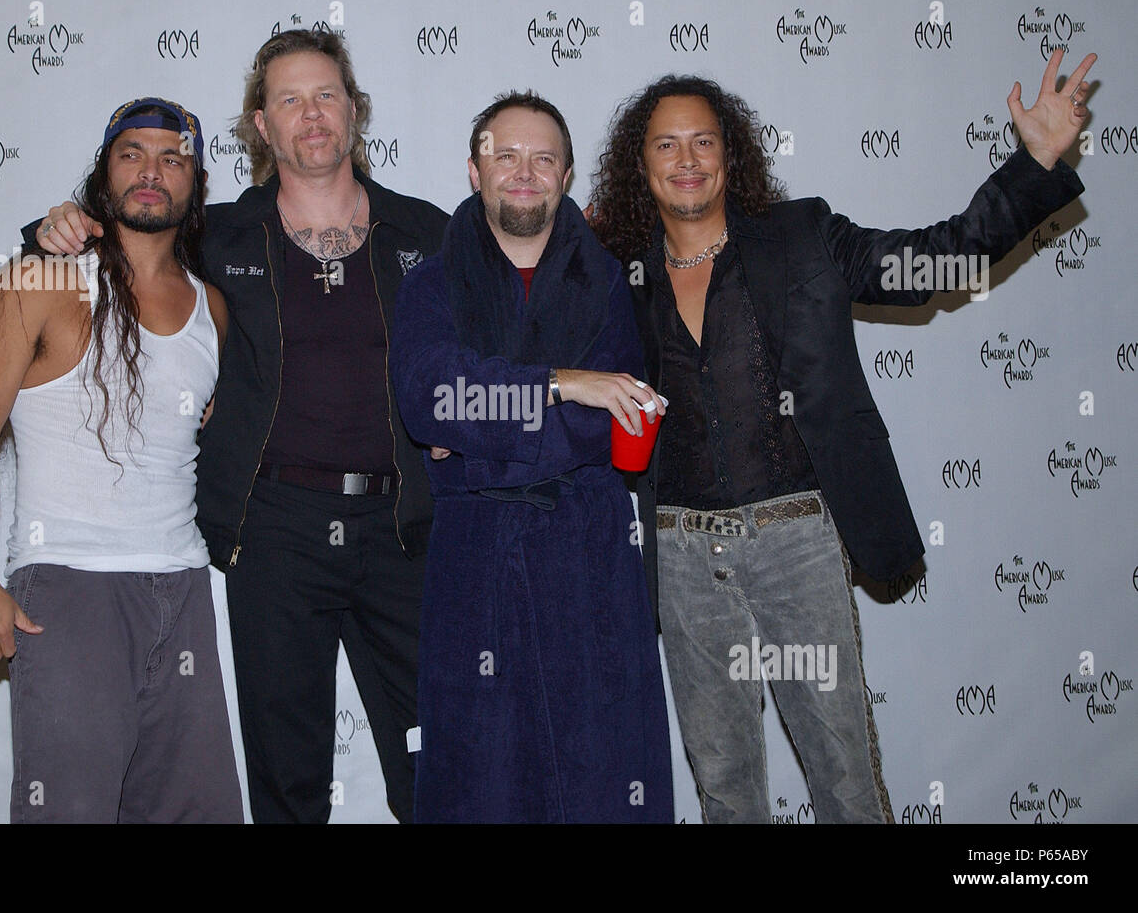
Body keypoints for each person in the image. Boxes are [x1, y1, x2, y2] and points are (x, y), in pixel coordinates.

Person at [587, 50, 1095, 823]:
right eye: (665, 144)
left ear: (731, 154)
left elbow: (937, 260)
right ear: (641, 163)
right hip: (684, 557)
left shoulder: (803, 236)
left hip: (797, 544)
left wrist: (1032, 163)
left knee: (844, 775)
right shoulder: (618, 274)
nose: (685, 159)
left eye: (702, 141)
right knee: (724, 786)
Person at [31, 31, 447, 823]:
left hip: (403, 533)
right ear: (262, 125)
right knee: (287, 784)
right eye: (288, 99)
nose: (310, 115)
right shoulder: (214, 236)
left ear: (354, 110)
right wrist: (48, 229)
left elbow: (492, 327)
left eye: (325, 94)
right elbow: (121, 232)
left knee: (438, 768)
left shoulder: (424, 233)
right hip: (276, 535)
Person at [0, 97, 242, 822]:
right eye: (131, 153)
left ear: (196, 185)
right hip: (68, 589)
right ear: (103, 174)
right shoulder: (37, 283)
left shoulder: (214, 309)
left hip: (182, 589)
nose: (152, 171)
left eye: (173, 158)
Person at [390, 92, 673, 823]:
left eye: (542, 158)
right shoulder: (429, 282)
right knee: (481, 779)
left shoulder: (611, 281)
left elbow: (615, 427)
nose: (524, 171)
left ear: (567, 174)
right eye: (504, 155)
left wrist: (477, 449)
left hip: (590, 556)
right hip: (474, 560)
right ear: (475, 170)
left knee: (602, 776)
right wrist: (563, 384)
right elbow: (432, 402)